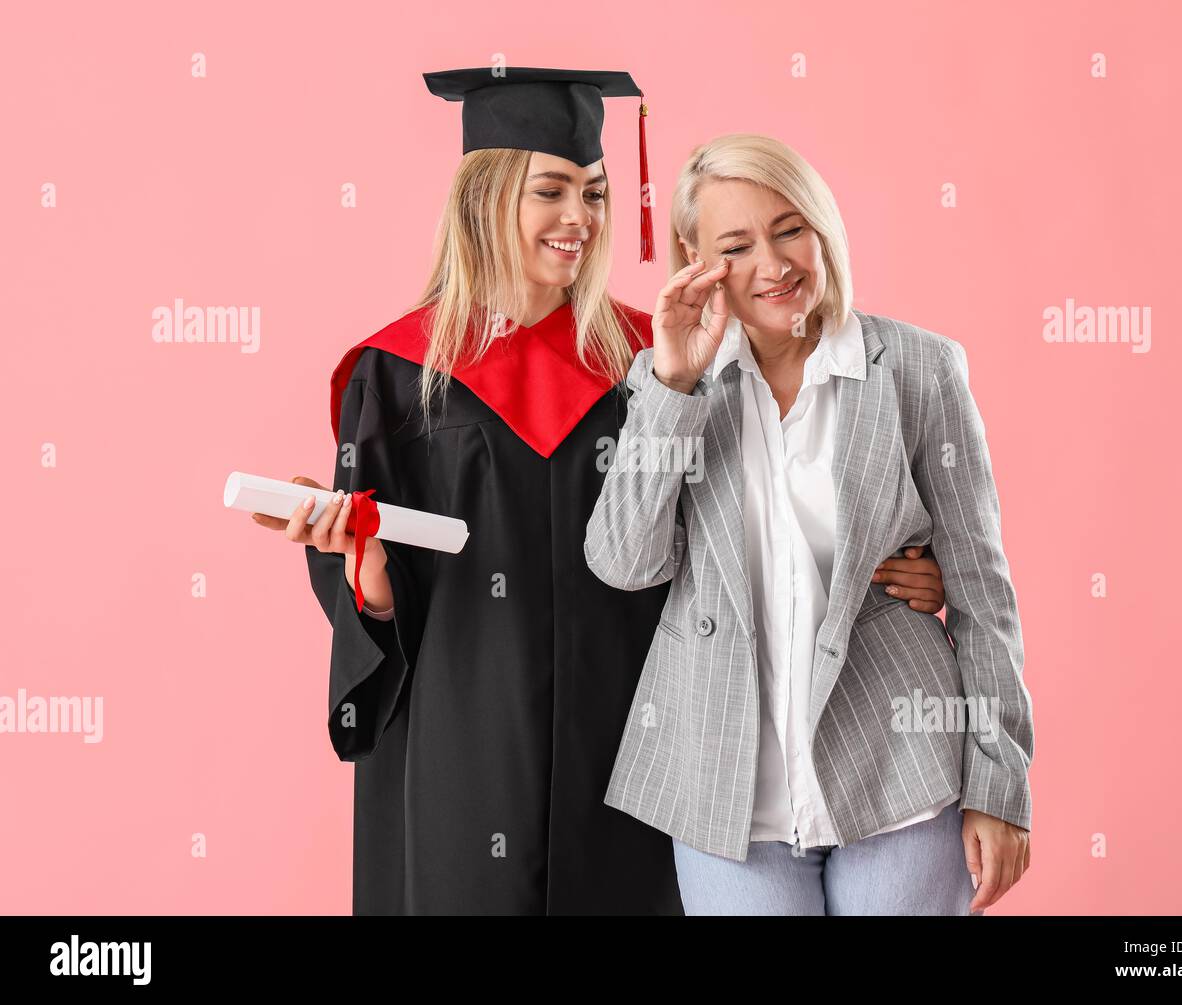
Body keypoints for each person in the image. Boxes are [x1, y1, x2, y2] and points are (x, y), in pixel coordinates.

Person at [252, 73, 949, 915]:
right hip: (465, 734)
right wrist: (367, 577)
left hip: (634, 735)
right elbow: (380, 597)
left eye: (595, 192)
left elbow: (759, 509)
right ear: (484, 200)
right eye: (550, 191)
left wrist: (904, 569)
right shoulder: (402, 374)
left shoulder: (653, 361)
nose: (579, 217)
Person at [585, 133, 1032, 915]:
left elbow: (984, 594)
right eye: (736, 244)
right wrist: (673, 386)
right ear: (695, 257)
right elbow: (624, 560)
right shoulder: (668, 383)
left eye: (789, 228)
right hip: (726, 796)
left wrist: (1001, 783)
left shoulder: (920, 370)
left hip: (900, 775)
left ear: (822, 225)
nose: (774, 263)